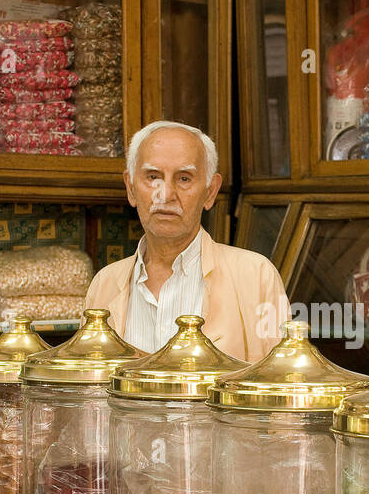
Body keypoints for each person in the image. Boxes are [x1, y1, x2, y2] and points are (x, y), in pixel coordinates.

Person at [84, 120, 288, 361]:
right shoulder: (104, 284)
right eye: (153, 176)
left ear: (210, 191)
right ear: (130, 188)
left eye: (184, 179)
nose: (166, 194)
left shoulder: (256, 276)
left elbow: (282, 384)